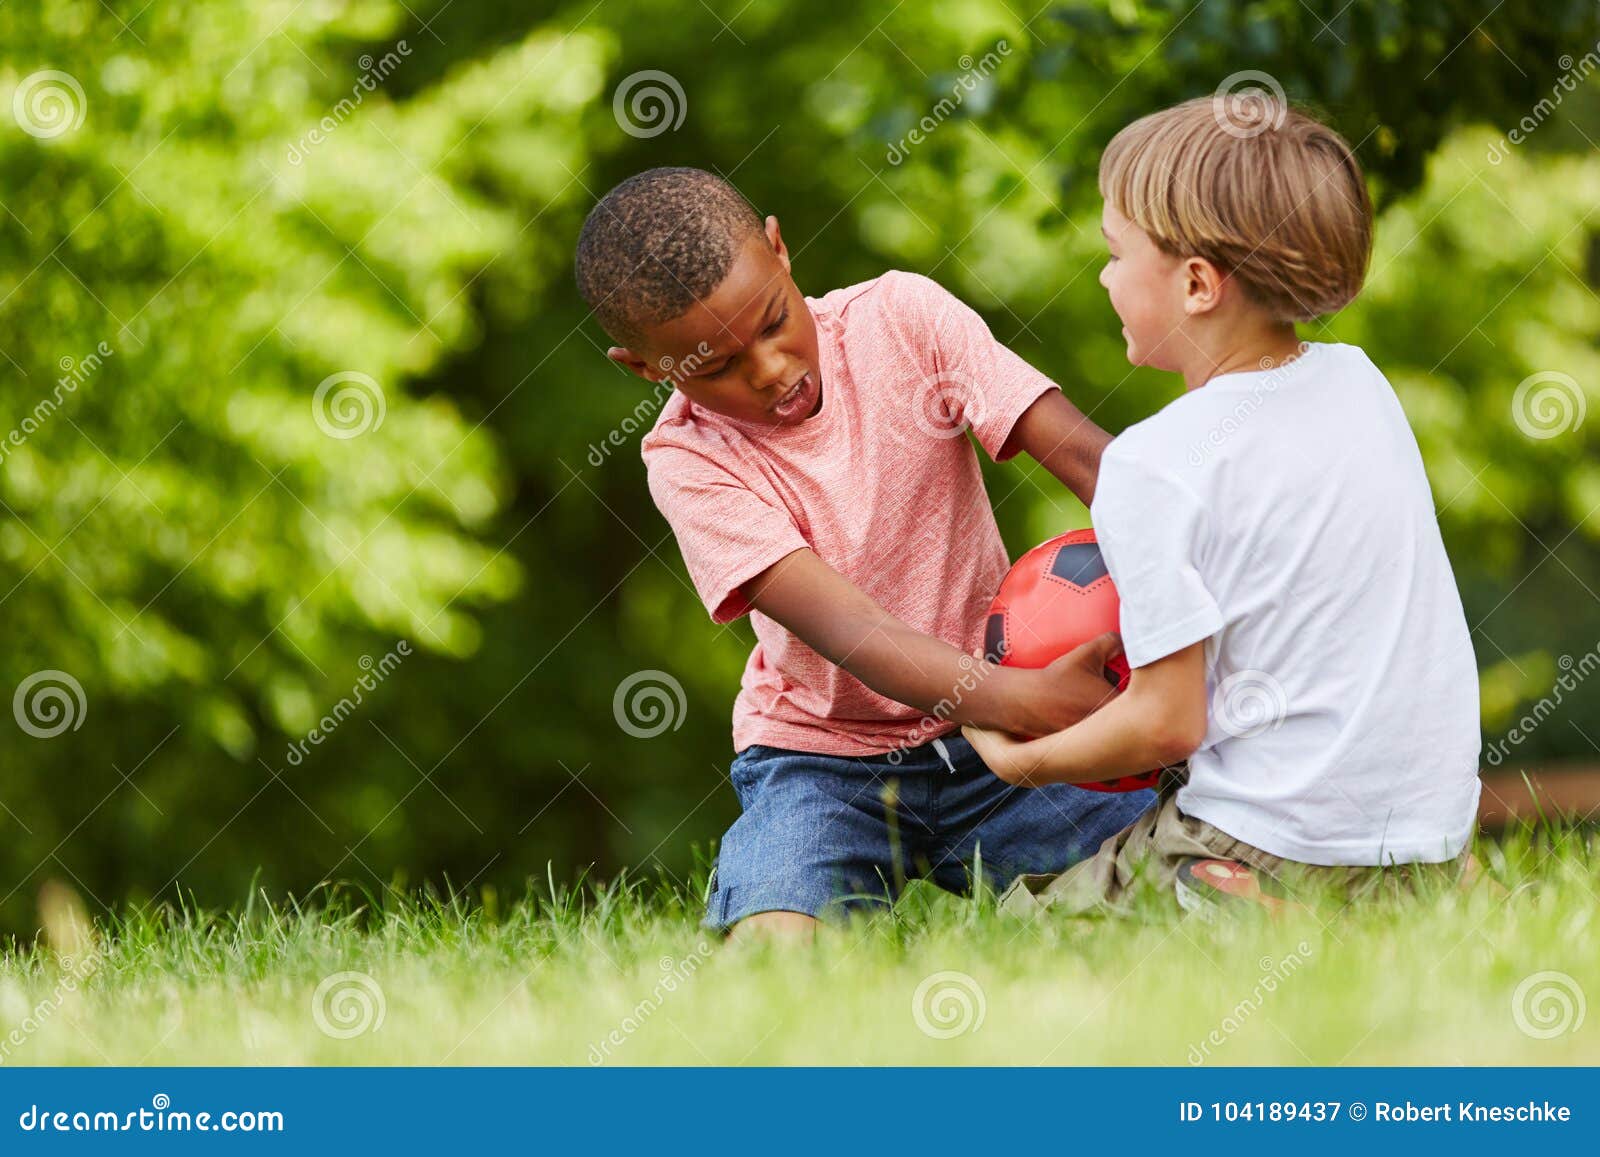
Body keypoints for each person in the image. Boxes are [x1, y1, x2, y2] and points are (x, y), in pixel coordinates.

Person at [574, 167, 1152, 938]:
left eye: (774, 322)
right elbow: (856, 635)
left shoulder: (902, 320)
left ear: (780, 252)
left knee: (1183, 886)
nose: (771, 368)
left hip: (1005, 754)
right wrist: (1034, 700)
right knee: (776, 953)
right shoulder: (688, 460)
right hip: (823, 767)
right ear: (646, 368)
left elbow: (1090, 463)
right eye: (716, 366)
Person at [963, 96, 1481, 916]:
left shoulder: (1155, 463)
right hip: (1426, 845)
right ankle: (1375, 907)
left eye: (1115, 252)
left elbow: (1168, 723)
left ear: (1197, 283)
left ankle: (1233, 896)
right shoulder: (1361, 385)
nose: (1103, 275)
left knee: (1013, 929)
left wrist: (1028, 761)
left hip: (1264, 840)